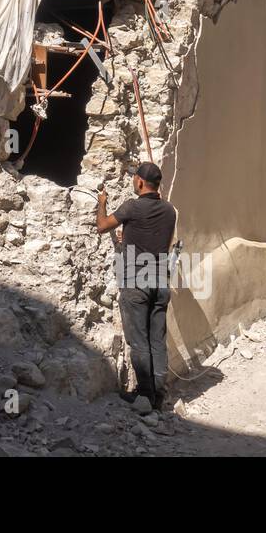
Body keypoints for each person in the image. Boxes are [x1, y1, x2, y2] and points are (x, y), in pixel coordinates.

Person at [96, 162, 178, 410]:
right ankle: (158, 396)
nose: (133, 181)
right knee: (157, 340)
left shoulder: (132, 207)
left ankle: (144, 396)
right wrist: (129, 236)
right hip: (160, 282)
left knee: (139, 342)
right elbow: (155, 238)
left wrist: (101, 203)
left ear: (141, 182)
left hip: (136, 283)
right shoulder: (170, 211)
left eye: (134, 178)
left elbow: (102, 226)